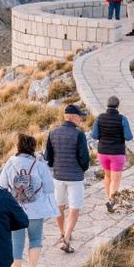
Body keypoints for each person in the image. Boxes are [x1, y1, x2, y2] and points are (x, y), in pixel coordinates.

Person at [0, 132, 58, 267]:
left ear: (18, 146)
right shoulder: (39, 164)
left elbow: (1, 186)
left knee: (16, 245)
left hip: (15, 211)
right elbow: (49, 187)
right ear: (33, 147)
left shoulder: (10, 163)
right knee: (35, 240)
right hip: (35, 210)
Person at [44, 104, 91, 253]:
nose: (81, 120)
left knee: (59, 205)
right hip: (75, 177)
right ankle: (67, 237)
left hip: (58, 176)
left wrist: (56, 166)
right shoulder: (79, 134)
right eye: (79, 117)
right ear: (72, 117)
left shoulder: (53, 132)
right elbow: (84, 158)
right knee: (74, 207)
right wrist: (82, 169)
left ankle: (62, 232)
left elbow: (48, 157)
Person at [91, 94, 134, 213]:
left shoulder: (100, 117)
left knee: (107, 175)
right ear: (118, 105)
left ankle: (109, 198)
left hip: (103, 152)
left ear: (107, 104)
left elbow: (94, 135)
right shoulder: (122, 119)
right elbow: (129, 137)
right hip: (117, 153)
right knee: (115, 179)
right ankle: (111, 201)